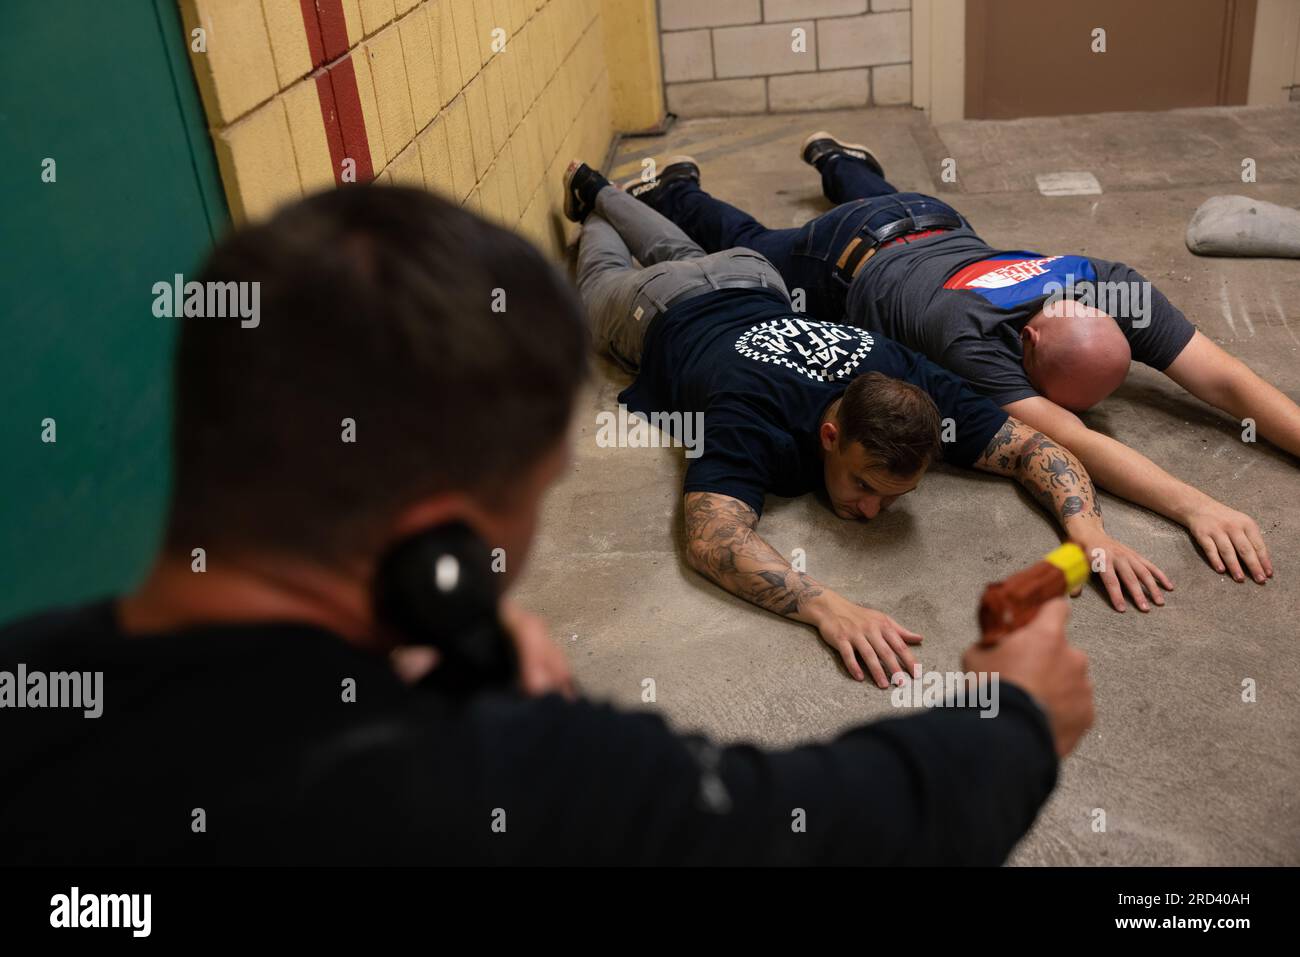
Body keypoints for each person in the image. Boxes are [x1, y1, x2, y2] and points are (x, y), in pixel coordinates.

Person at [0, 185, 1093, 866]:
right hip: (700, 294)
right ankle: (613, 202)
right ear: (444, 538)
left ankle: (618, 197)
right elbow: (838, 827)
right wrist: (1012, 721)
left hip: (720, 288)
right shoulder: (511, 792)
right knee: (616, 264)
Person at [564, 160, 1164, 688]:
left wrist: (1088, 532)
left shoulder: (907, 378)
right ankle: (593, 208)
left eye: (891, 495)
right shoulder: (752, 416)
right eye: (866, 485)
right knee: (598, 285)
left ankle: (603, 189)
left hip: (751, 273)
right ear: (831, 436)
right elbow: (710, 539)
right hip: (662, 306)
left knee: (685, 254)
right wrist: (827, 608)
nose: (871, 510)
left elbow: (1034, 448)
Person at [630, 133, 1294, 590]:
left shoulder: (1108, 280)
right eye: (1053, 393)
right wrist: (1197, 507)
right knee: (749, 242)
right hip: (839, 257)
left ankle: (836, 158)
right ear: (1026, 347)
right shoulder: (968, 342)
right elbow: (1075, 443)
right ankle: (676, 190)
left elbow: (1228, 380)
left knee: (883, 196)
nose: (1072, 409)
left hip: (929, 217)